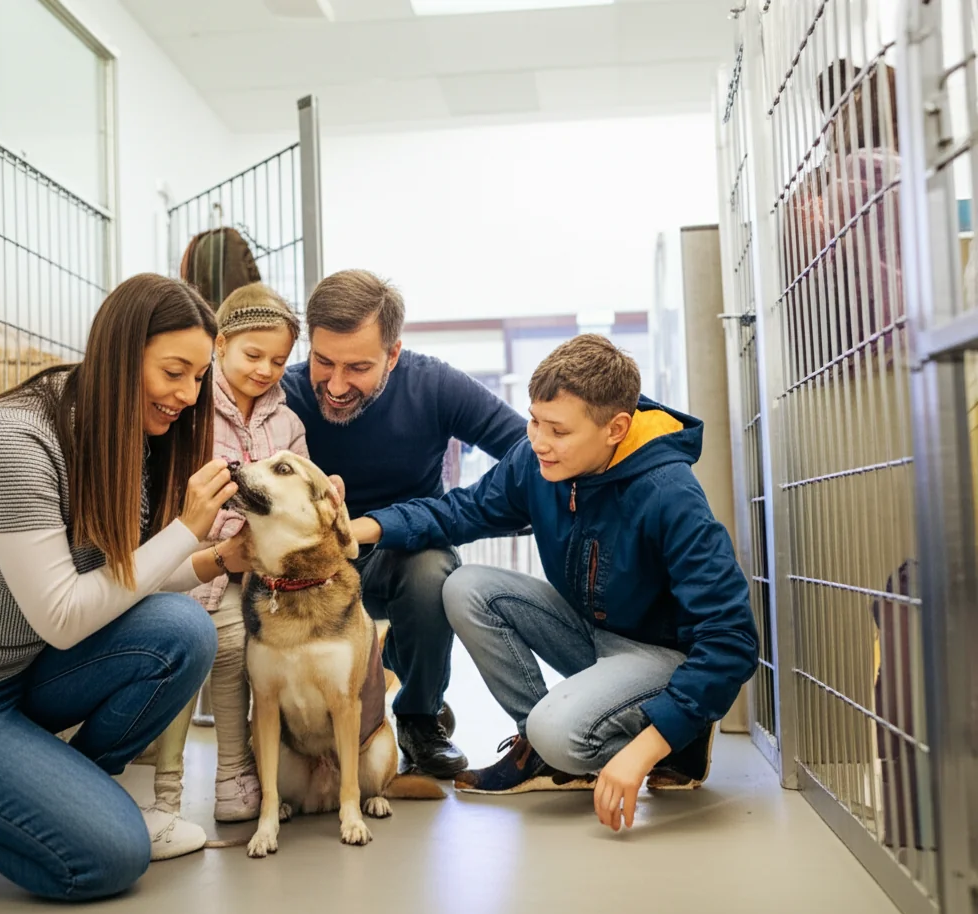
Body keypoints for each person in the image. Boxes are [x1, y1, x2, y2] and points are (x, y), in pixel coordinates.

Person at [351, 334, 758, 830]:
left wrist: (647, 748)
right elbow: (462, 510)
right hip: (590, 633)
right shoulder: (537, 462)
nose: (538, 441)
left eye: (558, 431)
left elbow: (732, 640)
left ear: (616, 428)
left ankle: (677, 732)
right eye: (534, 421)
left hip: (659, 658)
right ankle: (541, 748)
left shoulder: (670, 494)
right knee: (465, 584)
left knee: (559, 729)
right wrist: (367, 527)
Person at [0, 273, 251, 901]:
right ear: (121, 355)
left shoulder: (123, 434)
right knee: (109, 856)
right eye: (174, 372)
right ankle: (10, 807)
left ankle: (56, 791)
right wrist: (185, 529)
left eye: (200, 378)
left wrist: (217, 558)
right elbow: (63, 615)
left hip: (25, 670)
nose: (187, 396)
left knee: (183, 629)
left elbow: (115, 579)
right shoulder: (12, 440)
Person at [282, 270, 527, 778]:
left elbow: (527, 453)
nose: (336, 384)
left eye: (358, 367)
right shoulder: (285, 395)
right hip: (308, 570)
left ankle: (419, 716)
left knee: (431, 568)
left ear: (393, 355)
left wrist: (462, 511)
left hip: (402, 556)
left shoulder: (433, 385)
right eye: (323, 362)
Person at [152, 283, 331, 824]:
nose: (266, 370)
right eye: (253, 356)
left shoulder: (288, 423)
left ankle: (235, 772)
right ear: (221, 345)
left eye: (279, 360)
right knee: (217, 642)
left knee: (240, 656)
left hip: (264, 573)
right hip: (198, 563)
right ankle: (168, 788)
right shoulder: (191, 409)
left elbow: (299, 492)